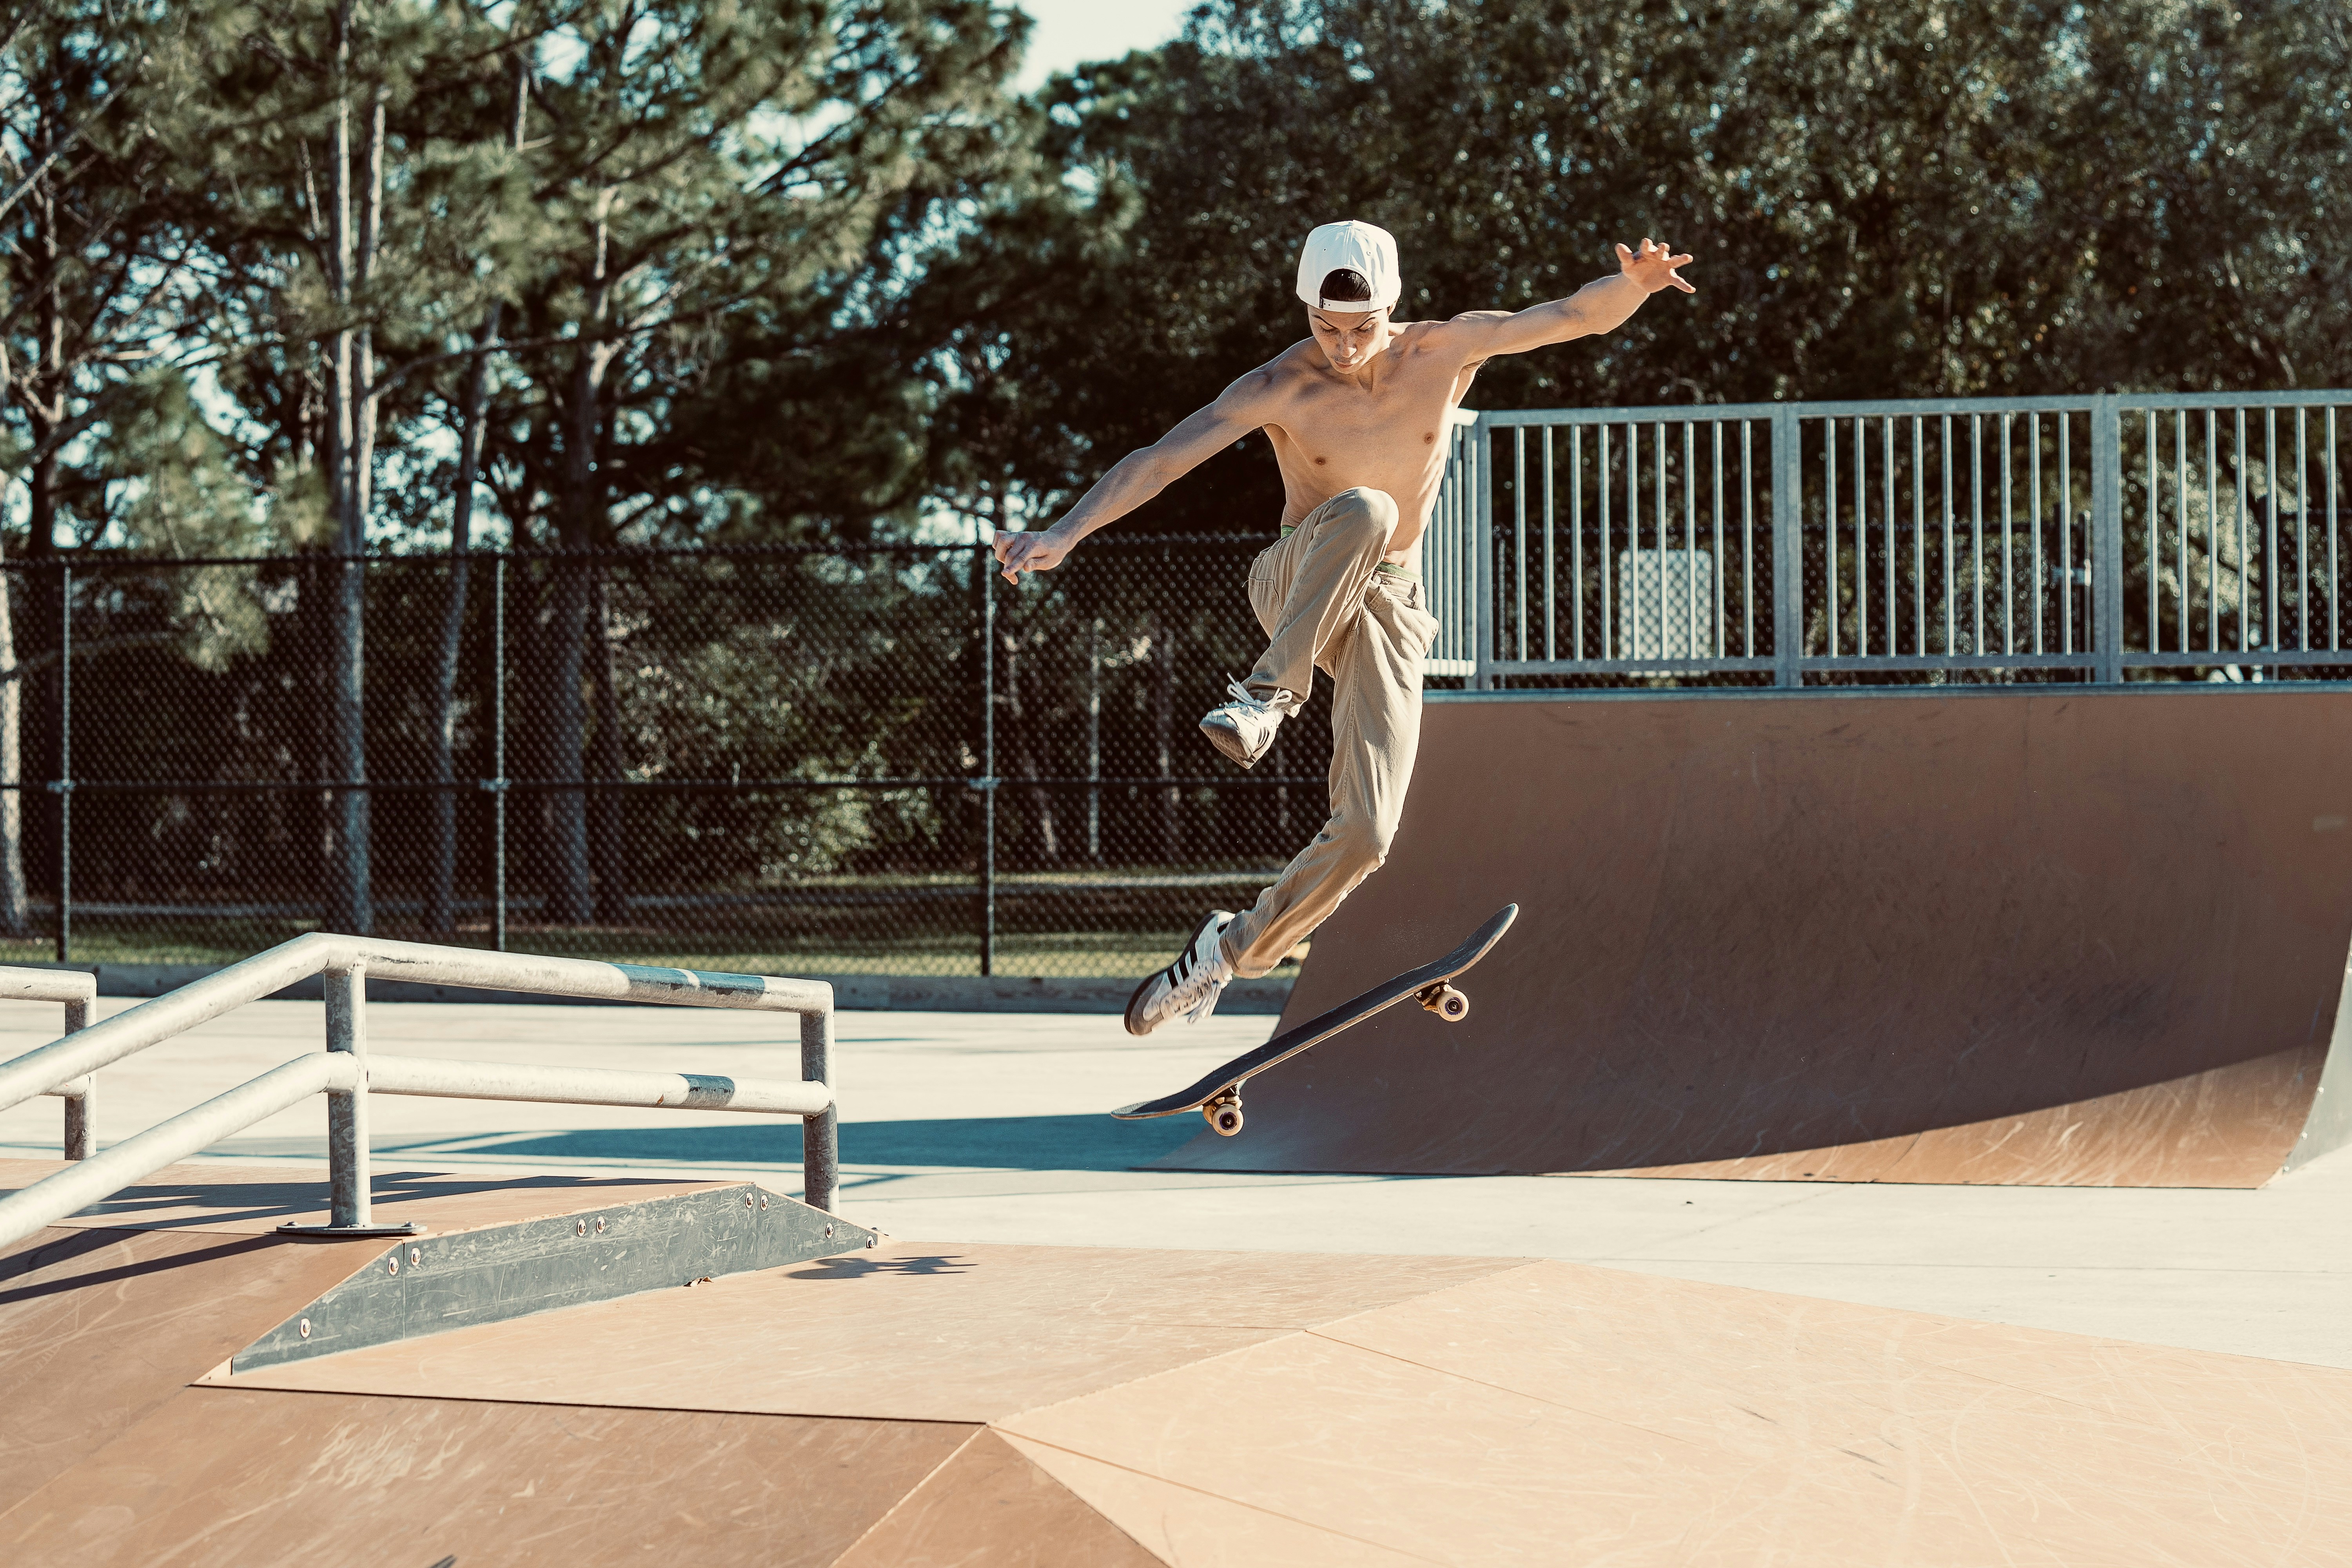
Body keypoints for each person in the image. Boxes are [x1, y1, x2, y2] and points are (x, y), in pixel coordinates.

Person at [992, 220, 1695, 1035]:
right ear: (1305, 311)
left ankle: (1228, 952)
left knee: (1368, 832)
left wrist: (1634, 287)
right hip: (1297, 582)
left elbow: (1572, 316)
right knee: (1365, 508)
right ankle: (1265, 699)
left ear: (1392, 308)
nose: (1342, 346)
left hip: (1392, 607)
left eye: (1361, 329)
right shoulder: (1280, 386)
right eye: (1325, 328)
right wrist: (1062, 534)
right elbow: (1158, 459)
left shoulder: (1445, 349)